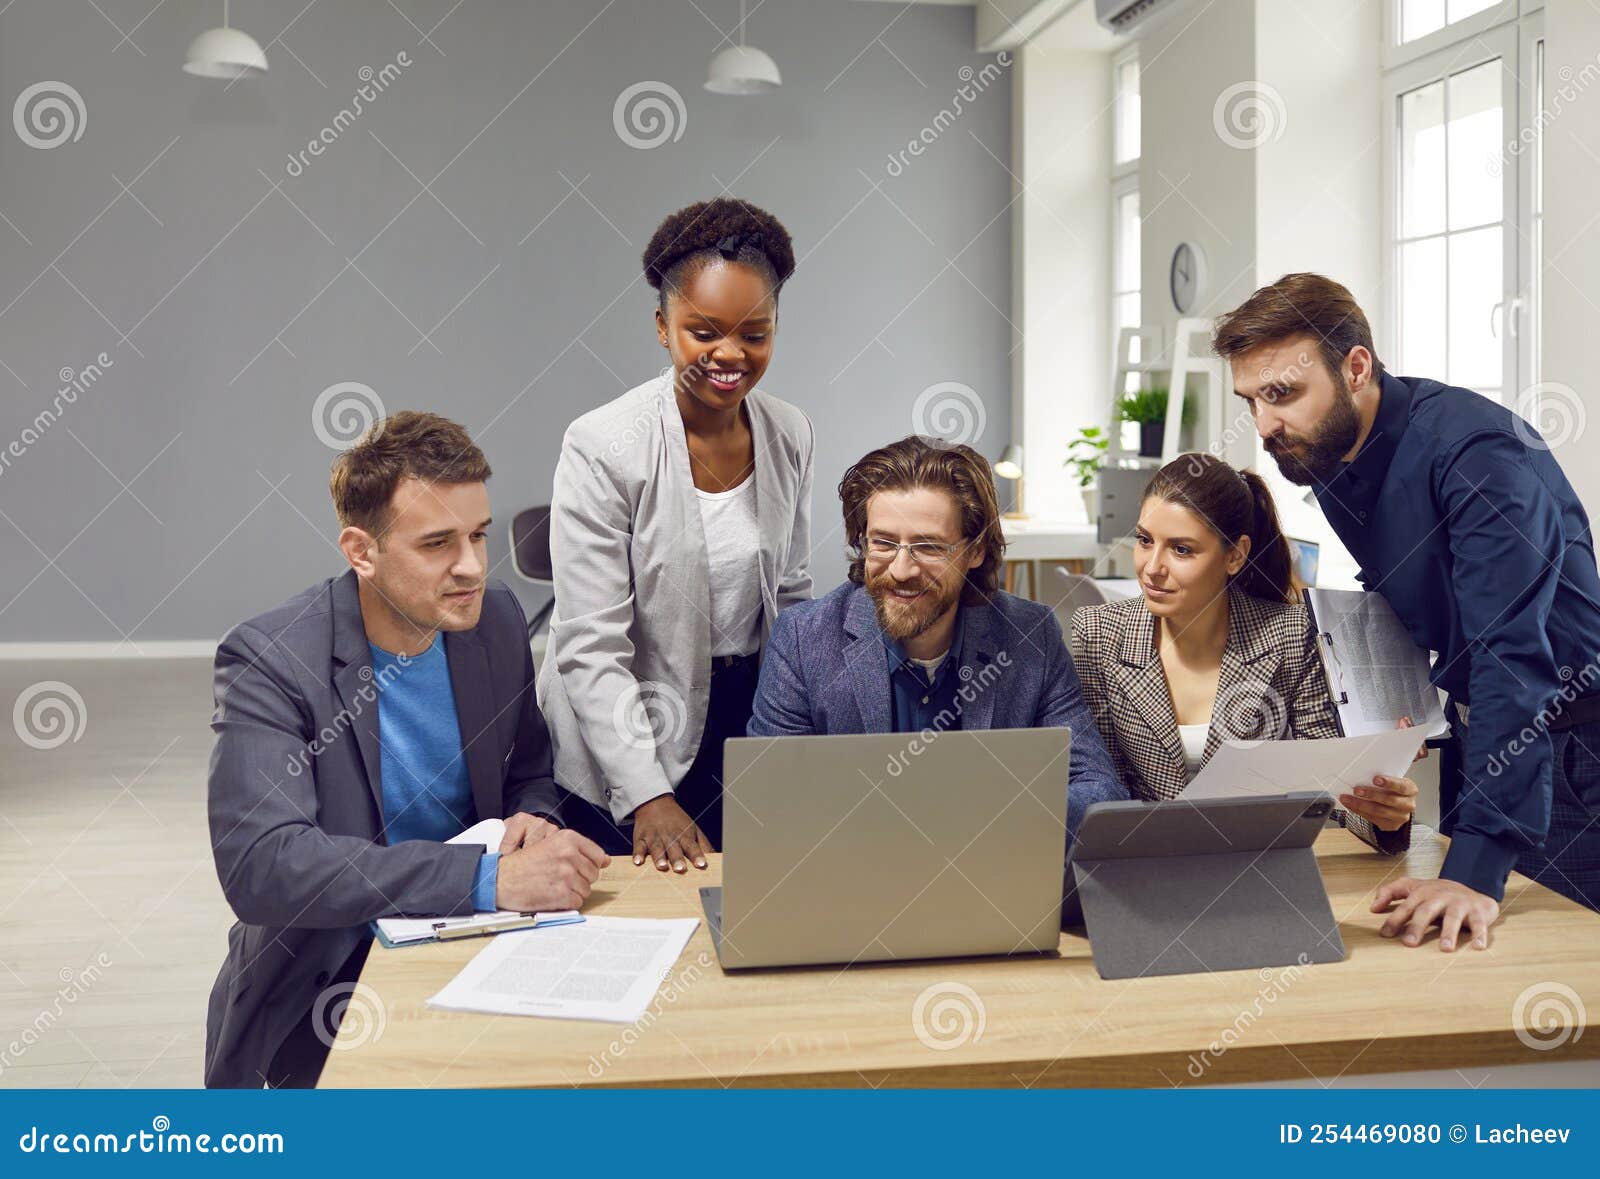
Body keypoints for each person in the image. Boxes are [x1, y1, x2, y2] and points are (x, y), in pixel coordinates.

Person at [205, 412, 609, 1088]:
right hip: (329, 979)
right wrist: (484, 881)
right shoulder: (269, 660)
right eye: (437, 544)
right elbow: (262, 866)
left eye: (478, 535)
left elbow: (530, 769)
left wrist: (533, 816)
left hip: (475, 950)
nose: (473, 567)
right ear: (360, 551)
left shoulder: (495, 620)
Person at [1214, 271, 1600, 949]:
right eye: (1251, 400)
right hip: (1483, 743)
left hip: (1575, 754)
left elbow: (1512, 658)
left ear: (1356, 366)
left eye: (1282, 395)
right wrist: (1388, 712)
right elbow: (1399, 589)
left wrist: (1475, 870)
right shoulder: (1327, 454)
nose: (1265, 426)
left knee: (1544, 976)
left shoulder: (1480, 457)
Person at [539, 197, 813, 874]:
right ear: (663, 327)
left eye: (756, 332)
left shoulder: (790, 432)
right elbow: (590, 645)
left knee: (747, 911)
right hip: (630, 718)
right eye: (704, 331)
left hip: (747, 714)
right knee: (645, 930)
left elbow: (795, 596)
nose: (730, 354)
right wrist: (647, 795)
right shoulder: (604, 444)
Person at [748, 435, 1126, 840]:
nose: (901, 569)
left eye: (928, 547)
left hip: (988, 881)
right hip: (851, 881)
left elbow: (1098, 793)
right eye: (883, 543)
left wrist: (966, 818)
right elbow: (766, 801)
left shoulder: (1031, 636)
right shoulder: (803, 639)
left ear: (976, 550)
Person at [1070, 452, 1418, 852]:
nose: (1152, 567)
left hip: (1259, 871)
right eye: (1145, 541)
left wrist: (1384, 812)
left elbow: (1331, 788)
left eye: (1181, 550)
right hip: (1141, 871)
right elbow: (1101, 786)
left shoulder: (1289, 634)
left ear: (1235, 555)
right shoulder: (1098, 634)